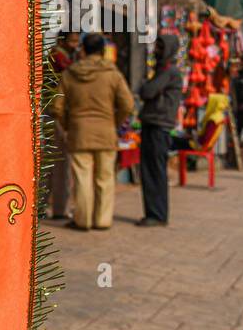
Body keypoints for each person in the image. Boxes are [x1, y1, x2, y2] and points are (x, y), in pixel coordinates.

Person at [50, 32, 134, 230]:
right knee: (105, 177)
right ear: (103, 51)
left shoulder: (70, 74)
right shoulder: (112, 73)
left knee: (82, 177)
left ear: (83, 50)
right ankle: (102, 220)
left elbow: (57, 107)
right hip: (106, 131)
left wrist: (69, 125)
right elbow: (128, 104)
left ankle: (82, 220)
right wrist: (114, 122)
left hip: (79, 132)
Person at [136, 34, 184, 226]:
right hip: (154, 124)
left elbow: (147, 91)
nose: (156, 51)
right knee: (150, 171)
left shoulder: (169, 72)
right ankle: (153, 212)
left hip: (158, 126)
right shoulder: (162, 71)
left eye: (161, 48)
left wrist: (144, 86)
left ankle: (157, 214)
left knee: (154, 171)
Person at [47, 32, 79, 219]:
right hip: (55, 115)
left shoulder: (64, 56)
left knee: (55, 165)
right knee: (60, 164)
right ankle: (58, 208)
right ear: (62, 41)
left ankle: (53, 206)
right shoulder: (58, 56)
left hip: (56, 113)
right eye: (72, 41)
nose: (75, 45)